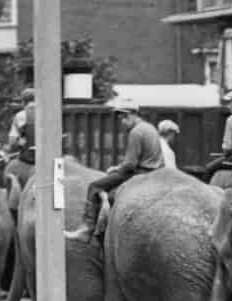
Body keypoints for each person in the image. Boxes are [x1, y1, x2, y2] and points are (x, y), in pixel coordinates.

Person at [66, 98, 163, 240]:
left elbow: (130, 165)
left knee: (95, 187)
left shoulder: (136, 132)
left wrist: (117, 170)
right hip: (155, 173)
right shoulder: (150, 128)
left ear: (131, 115)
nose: (122, 122)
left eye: (123, 118)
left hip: (140, 173)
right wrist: (119, 167)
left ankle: (86, 229)